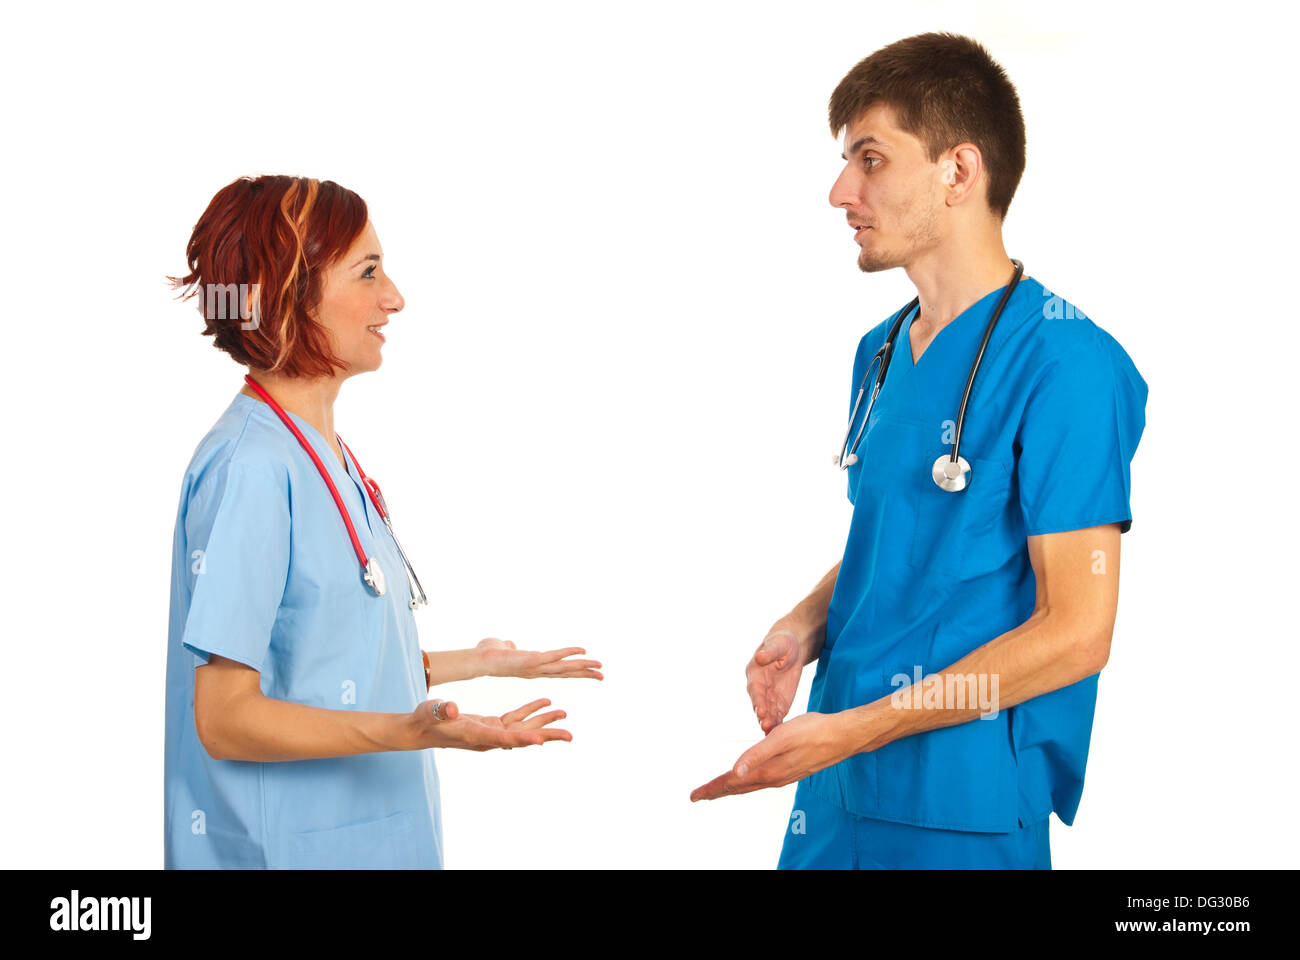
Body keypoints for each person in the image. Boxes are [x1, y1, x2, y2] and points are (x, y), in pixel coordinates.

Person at [690, 33, 1148, 870]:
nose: (840, 192)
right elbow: (911, 539)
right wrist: (805, 625)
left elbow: (1079, 631)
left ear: (958, 171)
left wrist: (860, 727)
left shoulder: (1067, 362)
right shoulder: (881, 349)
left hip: (957, 809)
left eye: (870, 159)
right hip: (833, 787)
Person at [164, 175, 603, 869]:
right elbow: (225, 718)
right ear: (287, 293)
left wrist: (475, 665)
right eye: (367, 273)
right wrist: (408, 729)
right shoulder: (251, 470)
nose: (394, 297)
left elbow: (314, 660)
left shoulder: (317, 451)